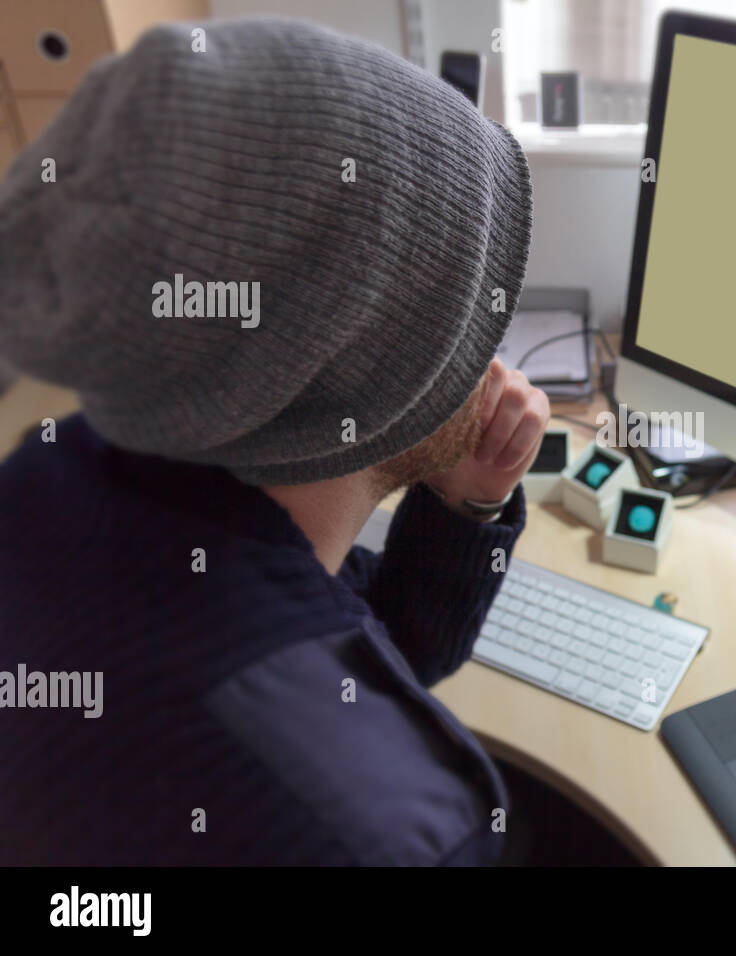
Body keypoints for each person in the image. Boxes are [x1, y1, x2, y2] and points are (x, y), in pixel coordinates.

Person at [0, 17, 545, 865]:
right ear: (369, 357)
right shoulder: (385, 833)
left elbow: (351, 647)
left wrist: (469, 503)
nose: (497, 356)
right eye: (477, 311)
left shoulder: (62, 466)